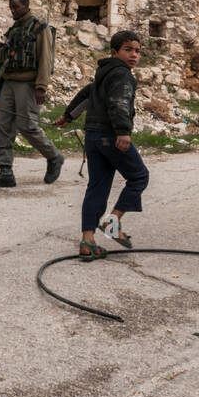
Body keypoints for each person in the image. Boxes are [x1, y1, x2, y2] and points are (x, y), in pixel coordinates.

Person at [54, 30, 148, 261]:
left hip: (93, 138)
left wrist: (68, 116)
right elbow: (120, 102)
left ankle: (87, 241)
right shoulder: (123, 75)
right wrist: (123, 132)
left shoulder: (103, 74)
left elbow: (86, 95)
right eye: (128, 50)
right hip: (110, 136)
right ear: (115, 52)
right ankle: (111, 221)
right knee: (139, 177)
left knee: (97, 186)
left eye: (137, 51)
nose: (134, 55)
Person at [0, 0, 63, 188]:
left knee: (27, 125)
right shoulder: (14, 30)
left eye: (16, 7)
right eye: (11, 7)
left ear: (26, 6)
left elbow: (46, 58)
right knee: (3, 126)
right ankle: (5, 171)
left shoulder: (39, 28)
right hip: (9, 83)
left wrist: (41, 86)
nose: (13, 11)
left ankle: (54, 156)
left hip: (28, 84)